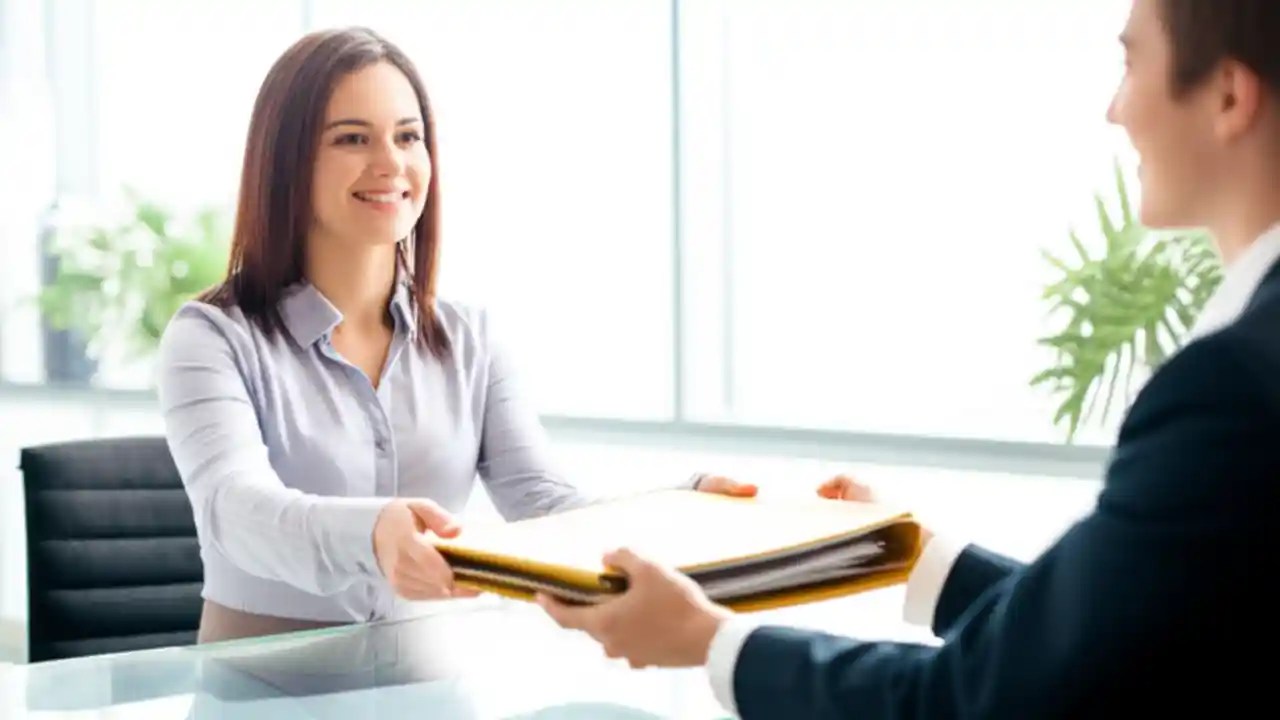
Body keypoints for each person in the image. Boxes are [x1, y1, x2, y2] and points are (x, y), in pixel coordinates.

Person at [536, 0, 1280, 716]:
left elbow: (976, 700)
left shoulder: (1230, 387)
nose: (1113, 110)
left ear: (1226, 94)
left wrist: (708, 640)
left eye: (1129, 62)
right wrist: (910, 554)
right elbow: (1105, 632)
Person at [156, 26, 768, 644]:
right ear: (285, 161)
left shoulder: (471, 339)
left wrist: (687, 506)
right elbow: (235, 510)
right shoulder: (211, 339)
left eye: (408, 136)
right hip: (258, 694)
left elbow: (545, 505)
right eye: (352, 138)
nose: (391, 163)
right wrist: (373, 535)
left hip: (430, 692)